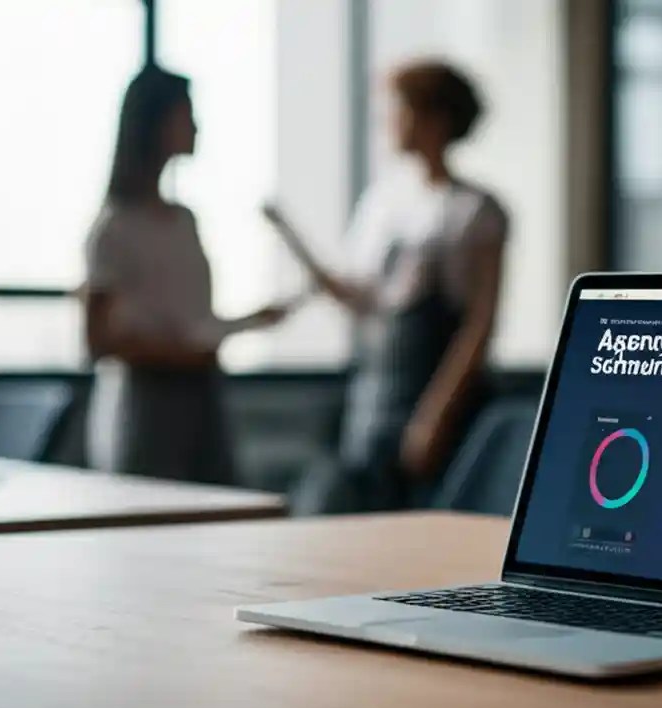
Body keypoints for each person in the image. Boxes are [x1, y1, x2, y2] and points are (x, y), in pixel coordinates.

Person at [264, 60, 509, 513]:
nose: (388, 121)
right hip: (378, 390)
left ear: (434, 119)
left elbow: (479, 325)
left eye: (399, 109)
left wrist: (435, 415)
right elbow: (360, 298)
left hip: (437, 391)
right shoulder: (384, 200)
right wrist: (292, 242)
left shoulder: (477, 210)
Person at [83, 66, 289, 485]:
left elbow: (192, 321)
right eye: (186, 114)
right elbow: (98, 340)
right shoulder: (115, 227)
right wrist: (180, 355)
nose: (196, 126)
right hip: (147, 405)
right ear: (156, 123)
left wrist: (247, 322)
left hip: (201, 395)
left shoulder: (184, 221)